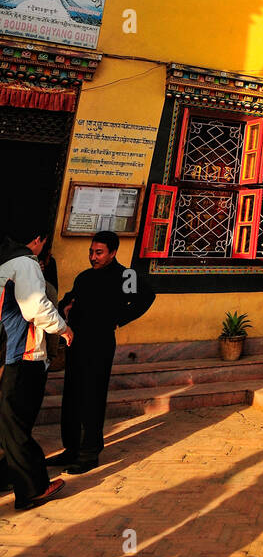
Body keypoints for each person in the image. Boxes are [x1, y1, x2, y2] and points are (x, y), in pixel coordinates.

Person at [53, 231, 155, 474]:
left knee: (92, 396)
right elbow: (69, 299)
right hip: (76, 342)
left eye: (99, 253)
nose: (93, 257)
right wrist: (64, 308)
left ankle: (89, 454)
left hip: (100, 344)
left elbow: (146, 297)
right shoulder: (85, 276)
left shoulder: (126, 276)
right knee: (72, 396)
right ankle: (71, 449)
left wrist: (119, 319)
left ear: (113, 253)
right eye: (91, 252)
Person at [0, 211, 73, 510]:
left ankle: (9, 476)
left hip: (8, 354)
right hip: (24, 356)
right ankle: (32, 488)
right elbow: (36, 307)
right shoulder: (24, 263)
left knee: (10, 422)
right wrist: (64, 328)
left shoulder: (4, 263)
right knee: (17, 425)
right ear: (37, 240)